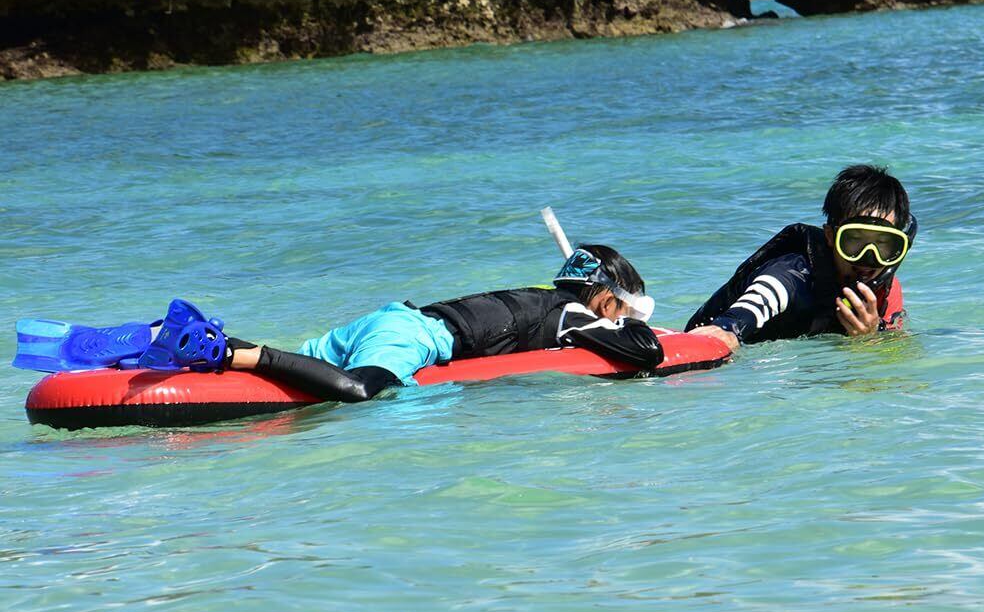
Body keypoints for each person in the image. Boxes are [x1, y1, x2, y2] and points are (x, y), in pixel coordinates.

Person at [132, 244, 665, 402]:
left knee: (310, 366)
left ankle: (169, 338)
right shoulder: (575, 313)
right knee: (360, 390)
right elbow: (648, 351)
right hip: (415, 337)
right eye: (627, 308)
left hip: (391, 320)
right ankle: (231, 353)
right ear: (604, 299)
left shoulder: (543, 298)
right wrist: (634, 326)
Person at [686, 165, 916, 351]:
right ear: (830, 236)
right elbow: (757, 302)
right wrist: (727, 328)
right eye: (854, 240)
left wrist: (870, 336)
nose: (868, 257)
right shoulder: (792, 274)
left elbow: (898, 355)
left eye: (884, 244)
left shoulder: (885, 291)